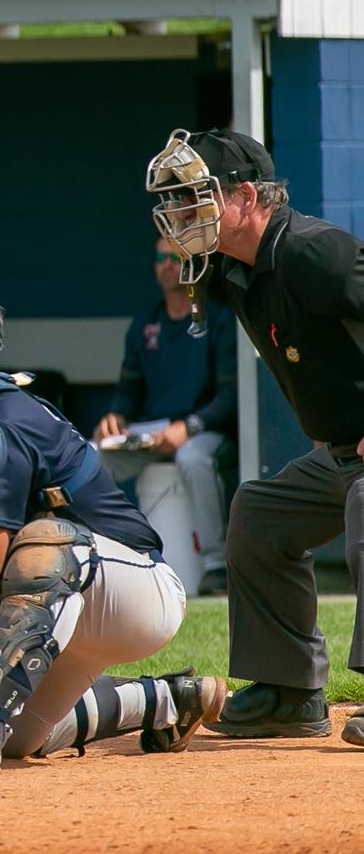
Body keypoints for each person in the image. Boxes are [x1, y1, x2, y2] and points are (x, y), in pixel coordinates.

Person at [0, 283, 222, 774]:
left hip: (136, 590)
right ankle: (167, 700)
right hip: (68, 600)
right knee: (21, 739)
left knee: (44, 542)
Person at [146, 127, 364, 741]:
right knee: (260, 514)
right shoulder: (231, 271)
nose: (181, 214)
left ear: (245, 196)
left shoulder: (315, 252)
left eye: (195, 197)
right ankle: (290, 693)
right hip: (345, 452)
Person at [91, 235, 237, 594]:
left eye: (176, 256)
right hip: (154, 433)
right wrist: (115, 418)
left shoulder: (218, 319)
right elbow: (129, 391)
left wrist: (188, 427)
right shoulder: (146, 325)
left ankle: (216, 567)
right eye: (161, 257)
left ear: (195, 265)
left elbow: (230, 398)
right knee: (93, 456)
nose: (168, 264)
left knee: (193, 458)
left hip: (205, 431)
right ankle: (100, 558)